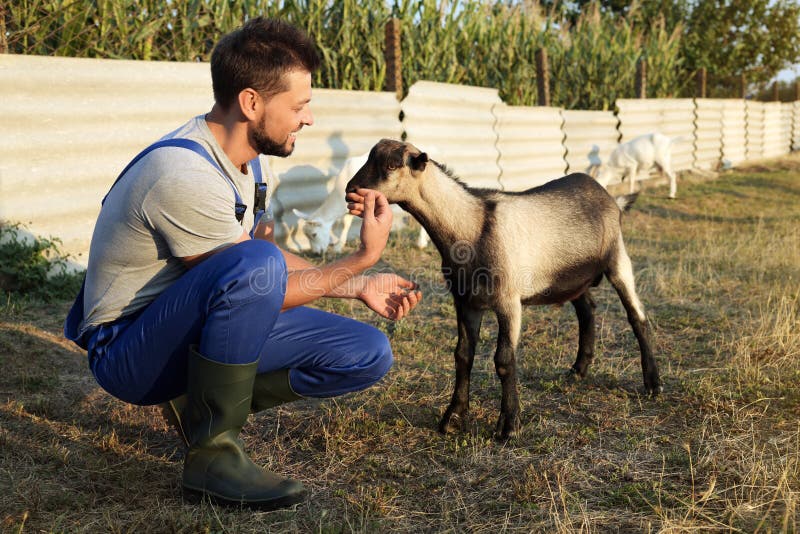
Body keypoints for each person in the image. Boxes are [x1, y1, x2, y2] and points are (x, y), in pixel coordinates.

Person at [63, 18, 421, 510]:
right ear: (251, 103)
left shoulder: (251, 159)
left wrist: (357, 285)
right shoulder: (183, 173)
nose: (309, 118)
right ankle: (212, 456)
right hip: (128, 350)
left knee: (366, 352)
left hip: (188, 325)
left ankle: (196, 405)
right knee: (256, 259)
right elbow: (255, 275)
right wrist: (362, 258)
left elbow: (256, 263)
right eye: (298, 105)